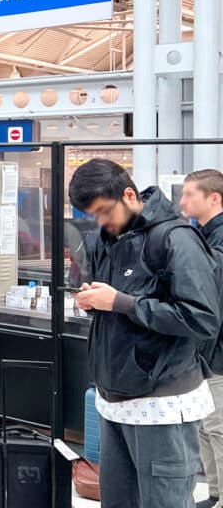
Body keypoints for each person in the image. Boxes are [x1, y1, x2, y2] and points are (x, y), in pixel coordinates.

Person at [70, 159, 220, 508]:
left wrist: (120, 302)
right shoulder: (108, 239)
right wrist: (95, 301)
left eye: (105, 211)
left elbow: (202, 318)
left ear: (128, 194)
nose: (101, 221)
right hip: (114, 400)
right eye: (94, 215)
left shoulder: (175, 238)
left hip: (162, 401)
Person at [181, 169, 223, 506]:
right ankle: (213, 492)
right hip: (205, 353)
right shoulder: (203, 236)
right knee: (206, 429)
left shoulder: (218, 241)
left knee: (218, 429)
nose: (183, 201)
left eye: (189, 195)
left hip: (218, 353)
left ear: (214, 197)